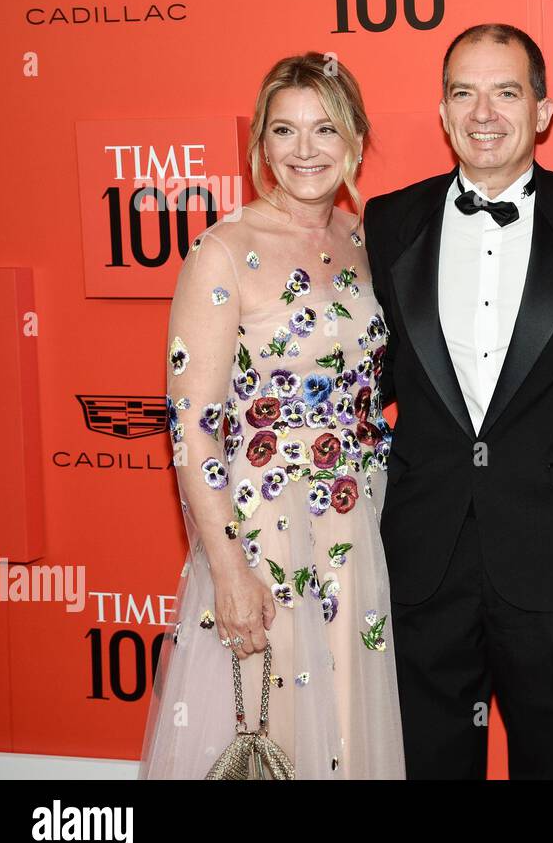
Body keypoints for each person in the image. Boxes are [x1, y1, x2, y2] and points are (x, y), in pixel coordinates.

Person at [363, 23, 553, 779]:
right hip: (425, 557)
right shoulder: (386, 224)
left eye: (507, 92)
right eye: (464, 93)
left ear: (542, 111)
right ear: (444, 113)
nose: (484, 111)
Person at [139, 52, 405, 778]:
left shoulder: (361, 240)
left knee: (345, 727)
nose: (305, 150)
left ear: (354, 140)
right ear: (260, 143)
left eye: (325, 130)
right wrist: (228, 569)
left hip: (355, 523)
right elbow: (192, 427)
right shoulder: (224, 251)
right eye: (284, 131)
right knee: (277, 730)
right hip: (265, 535)